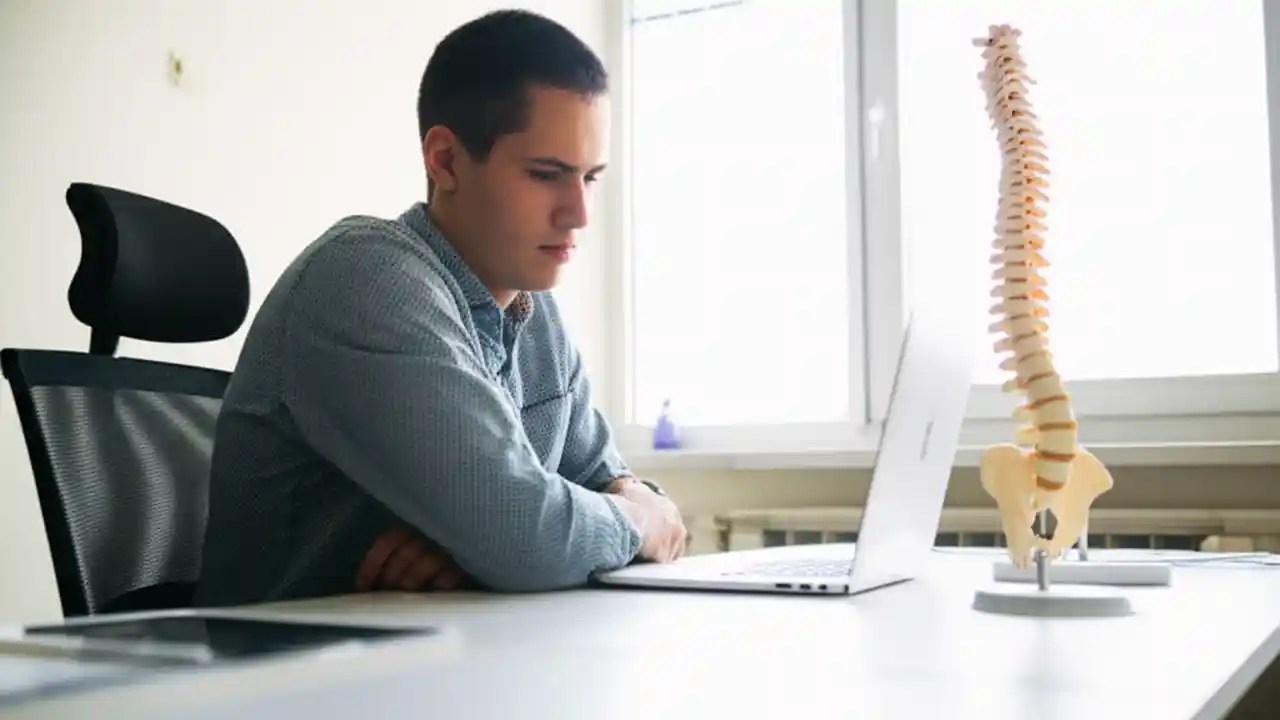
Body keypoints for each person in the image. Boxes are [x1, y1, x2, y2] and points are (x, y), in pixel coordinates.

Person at [194, 9, 687, 606]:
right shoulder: (366, 279)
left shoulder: (534, 314)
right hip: (282, 677)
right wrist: (627, 521)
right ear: (446, 160)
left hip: (433, 660)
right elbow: (525, 537)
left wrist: (500, 537)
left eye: (590, 179)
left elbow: (603, 486)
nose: (578, 214)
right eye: (545, 175)